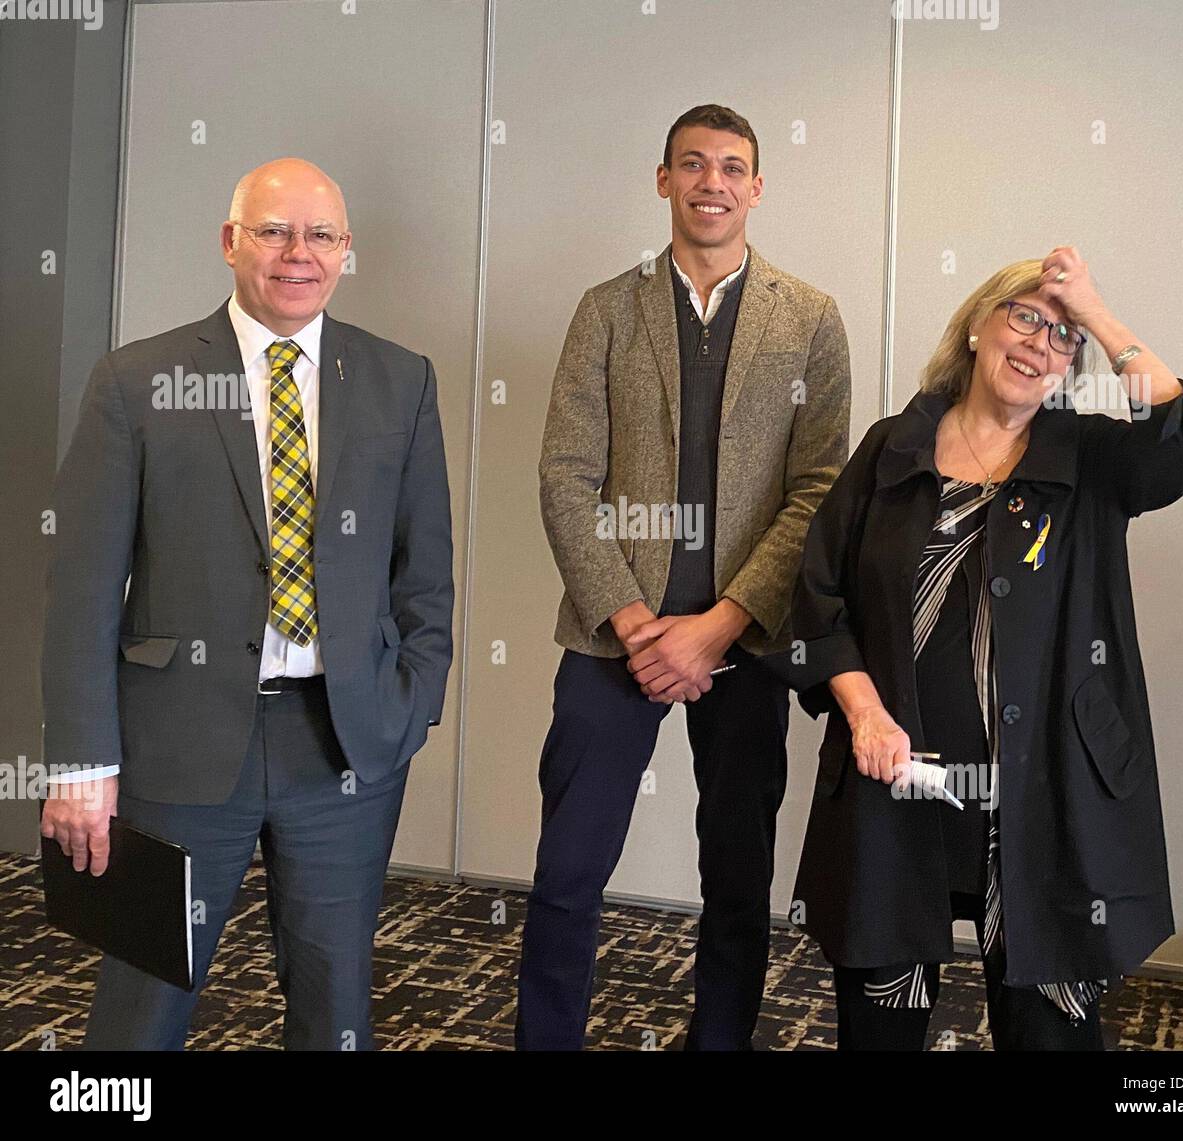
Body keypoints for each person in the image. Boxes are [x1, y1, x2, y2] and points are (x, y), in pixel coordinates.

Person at [39, 157, 454, 1050]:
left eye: (321, 235)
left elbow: (425, 575)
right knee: (142, 1006)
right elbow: (80, 587)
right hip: (176, 744)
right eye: (274, 231)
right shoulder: (137, 380)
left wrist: (409, 704)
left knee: (336, 1003)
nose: (297, 254)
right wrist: (79, 763)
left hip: (344, 744)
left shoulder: (400, 380)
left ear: (348, 251)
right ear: (231, 242)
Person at [787, 246, 1183, 1050]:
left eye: (1062, 335)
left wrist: (1097, 313)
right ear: (974, 327)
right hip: (896, 786)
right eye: (1023, 316)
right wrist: (863, 714)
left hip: (1046, 796)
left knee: (1050, 1032)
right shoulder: (893, 449)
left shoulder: (1090, 458)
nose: (1040, 341)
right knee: (878, 1021)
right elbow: (819, 603)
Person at [517, 104, 851, 1050]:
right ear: (662, 180)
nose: (712, 181)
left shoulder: (811, 318)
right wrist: (631, 619)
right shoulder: (606, 310)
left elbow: (819, 488)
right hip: (609, 636)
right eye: (692, 164)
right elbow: (565, 476)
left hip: (744, 640)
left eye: (732, 167)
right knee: (567, 872)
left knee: (737, 879)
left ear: (757, 188)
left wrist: (720, 621)